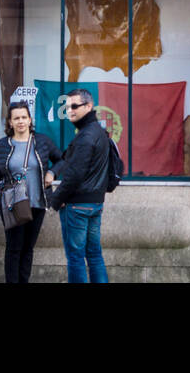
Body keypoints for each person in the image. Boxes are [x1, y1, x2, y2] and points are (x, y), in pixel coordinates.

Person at [0, 100, 63, 283]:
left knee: (28, 248)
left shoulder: (42, 141)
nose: (21, 121)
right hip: (12, 202)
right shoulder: (3, 144)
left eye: (24, 117)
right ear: (10, 122)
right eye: (16, 118)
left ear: (30, 119)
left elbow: (61, 159)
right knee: (14, 247)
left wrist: (52, 172)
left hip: (38, 202)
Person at [46, 88, 111, 283]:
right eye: (67, 107)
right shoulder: (98, 132)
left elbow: (74, 175)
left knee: (75, 258)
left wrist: (56, 200)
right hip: (94, 203)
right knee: (94, 255)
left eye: (74, 106)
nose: (70, 111)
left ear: (89, 106)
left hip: (78, 206)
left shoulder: (86, 136)